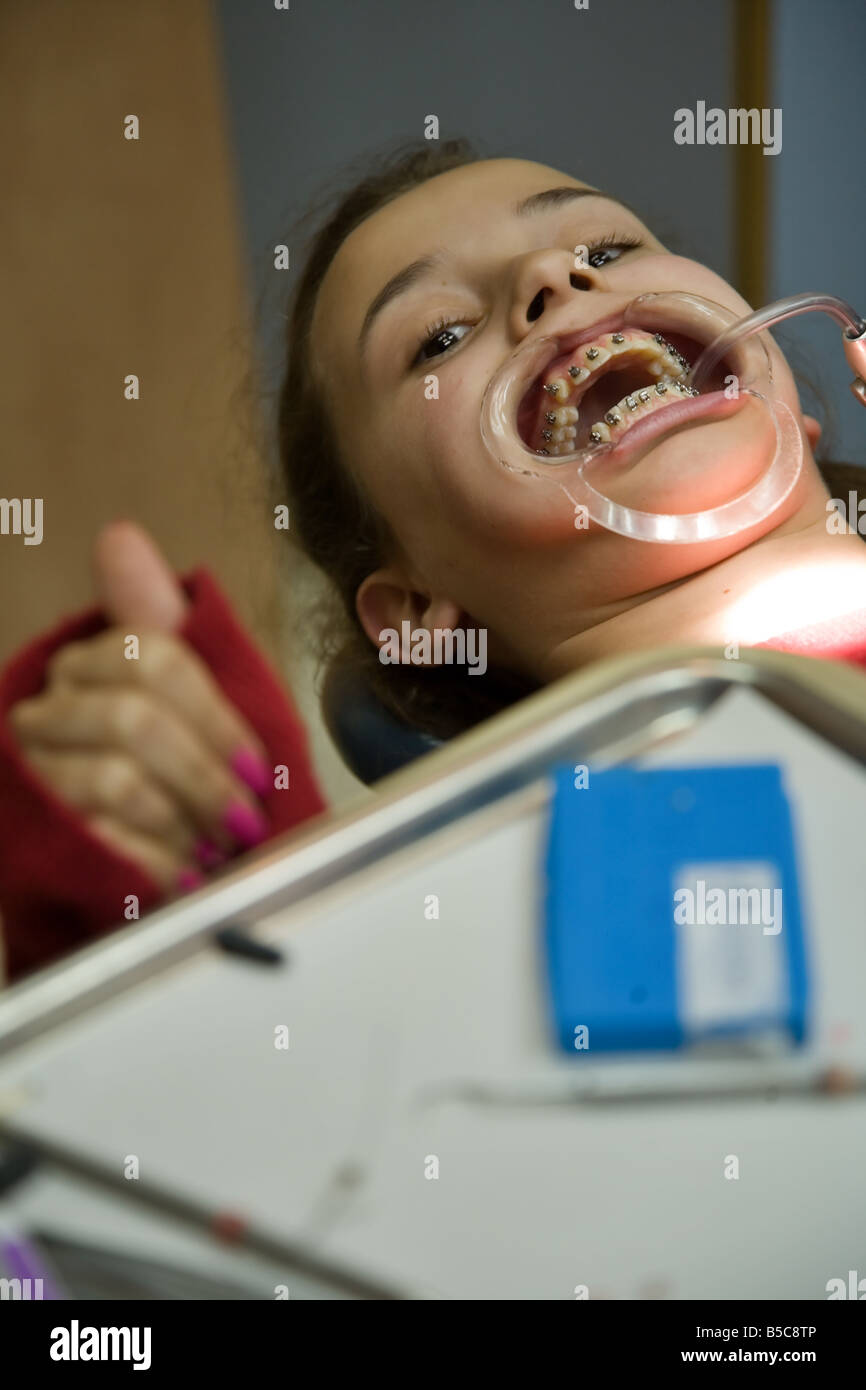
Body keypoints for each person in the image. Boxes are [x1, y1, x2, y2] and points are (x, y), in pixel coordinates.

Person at [2, 139, 865, 981]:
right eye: (441, 337)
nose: (553, 278)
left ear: (795, 407)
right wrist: (228, 906)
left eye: (606, 247)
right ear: (418, 612)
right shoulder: (499, 926)